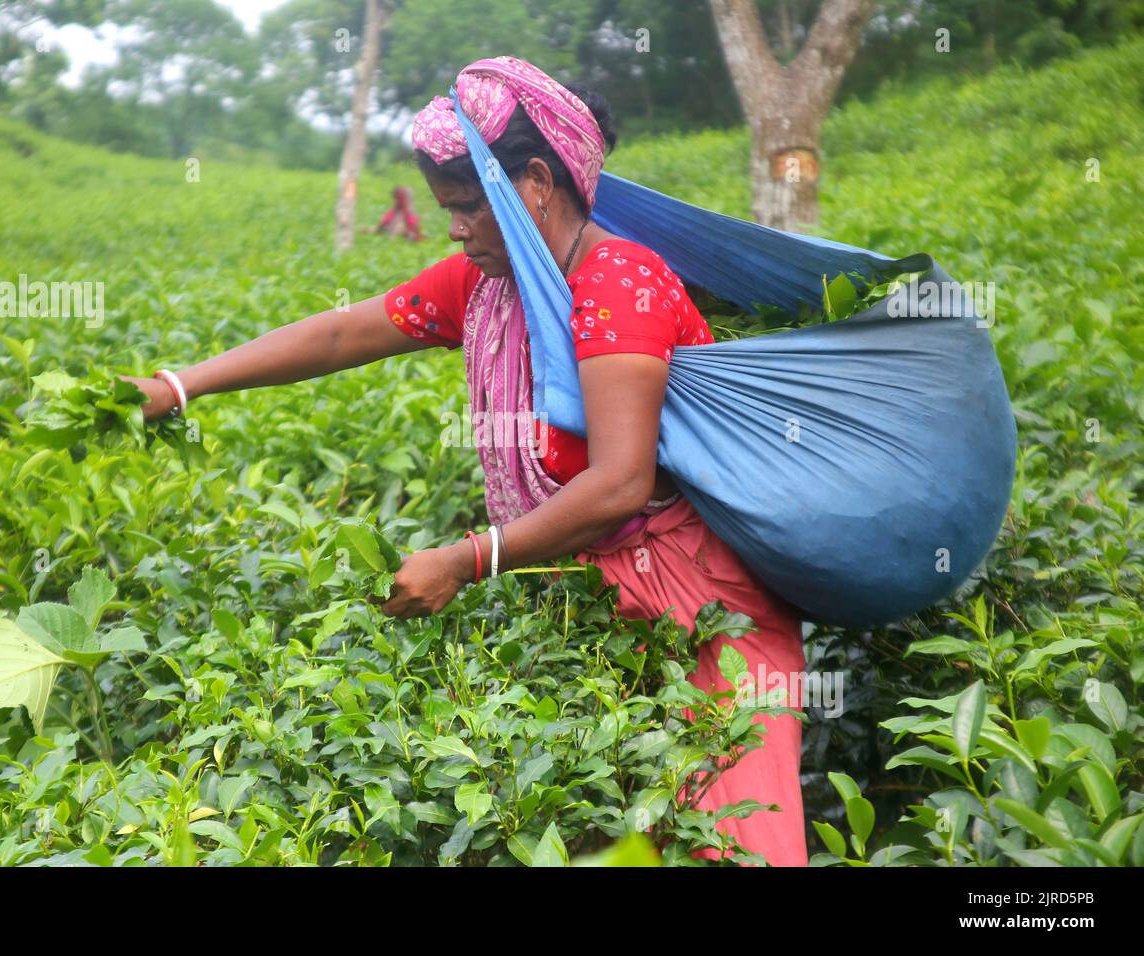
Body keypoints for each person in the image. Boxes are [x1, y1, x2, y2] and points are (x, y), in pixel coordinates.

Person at [125, 56, 808, 867]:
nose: (454, 228)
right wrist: (179, 385)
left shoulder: (618, 284)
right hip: (578, 604)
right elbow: (345, 332)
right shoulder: (488, 286)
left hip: (699, 612)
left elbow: (620, 481)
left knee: (727, 846)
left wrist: (466, 558)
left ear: (536, 183)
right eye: (448, 209)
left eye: (468, 208)